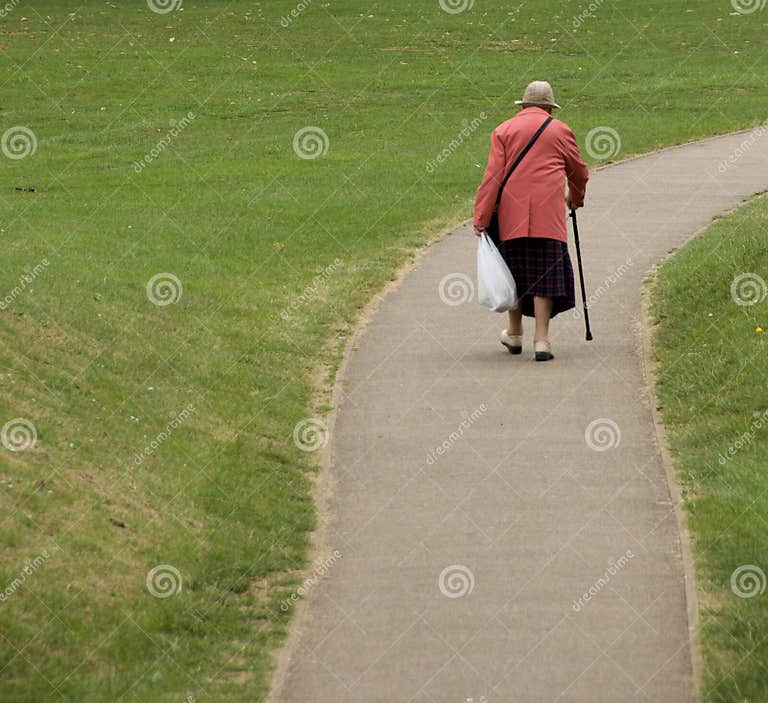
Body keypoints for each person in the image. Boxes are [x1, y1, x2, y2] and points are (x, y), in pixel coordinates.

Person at [473, 80, 589, 361]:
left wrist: (481, 216)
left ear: (523, 106)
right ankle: (542, 340)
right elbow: (578, 171)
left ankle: (514, 334)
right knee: (544, 275)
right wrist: (575, 197)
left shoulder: (504, 130)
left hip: (509, 214)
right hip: (548, 216)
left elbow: (492, 178)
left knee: (513, 272)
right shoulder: (560, 130)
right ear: (550, 108)